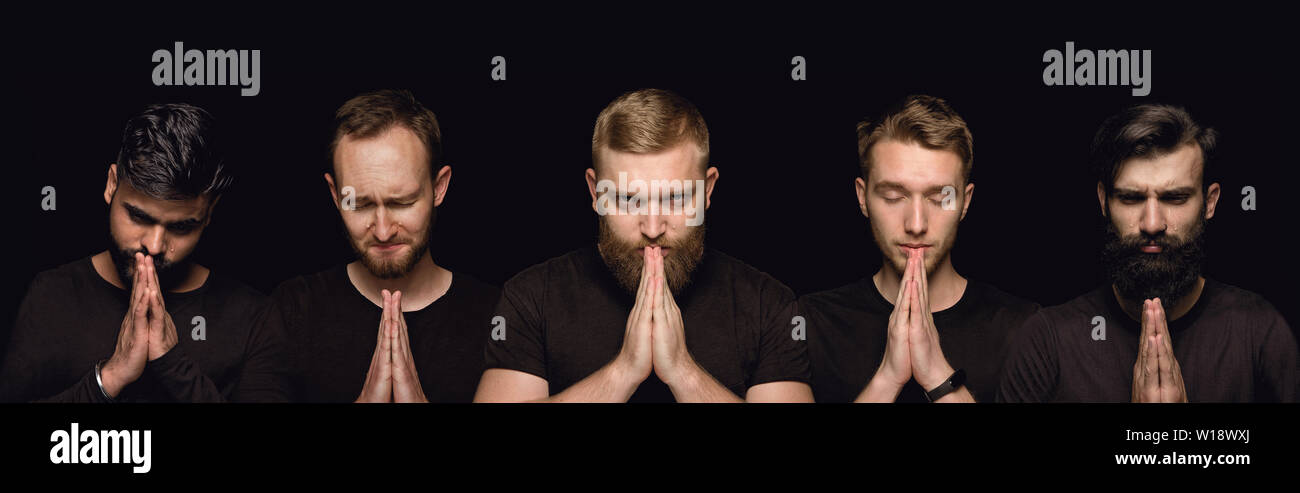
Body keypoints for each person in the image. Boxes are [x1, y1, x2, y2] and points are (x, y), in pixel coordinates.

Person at [474, 88, 813, 402]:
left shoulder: (770, 304)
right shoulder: (531, 298)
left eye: (677, 199)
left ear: (707, 190)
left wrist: (683, 372)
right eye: (627, 200)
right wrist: (622, 373)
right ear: (595, 192)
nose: (652, 228)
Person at [997, 103, 1298, 402]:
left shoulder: (1260, 332)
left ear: (1210, 202)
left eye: (1176, 198)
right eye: (1130, 198)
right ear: (1104, 201)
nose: (1152, 223)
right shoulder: (1047, 341)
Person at [0, 103, 288, 402]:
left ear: (209, 213)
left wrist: (173, 364)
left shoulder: (254, 315)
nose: (154, 245)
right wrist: (110, 377)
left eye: (182, 227)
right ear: (112, 185)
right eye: (139, 217)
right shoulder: (52, 292)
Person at [799, 95, 1037, 403]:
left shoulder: (1024, 328)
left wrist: (937, 374)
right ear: (862, 197)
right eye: (894, 195)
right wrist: (888, 377)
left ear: (965, 202)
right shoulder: (810, 321)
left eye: (939, 198)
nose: (916, 224)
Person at [265, 89, 499, 403]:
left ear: (439, 187)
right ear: (336, 195)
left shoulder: (499, 315)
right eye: (359, 204)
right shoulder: (292, 308)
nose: (384, 231)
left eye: (402, 202)